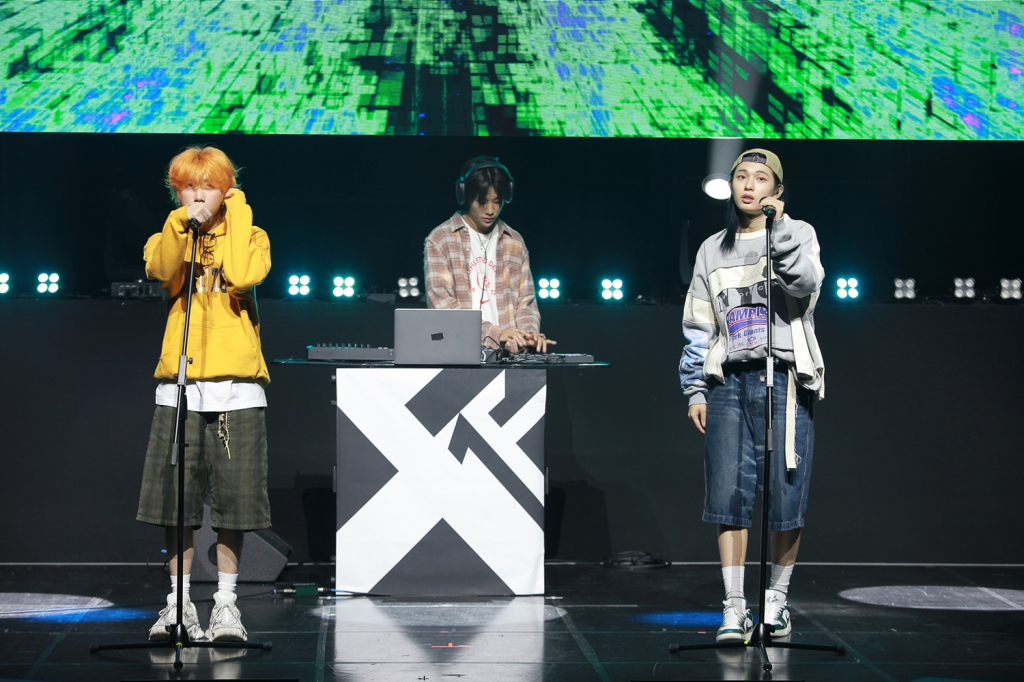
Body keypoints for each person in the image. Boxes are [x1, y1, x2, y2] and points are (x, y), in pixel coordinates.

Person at [679, 149, 825, 642]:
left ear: (776, 191)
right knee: (728, 493)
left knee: (786, 493)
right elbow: (698, 324)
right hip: (728, 381)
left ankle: (777, 601)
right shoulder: (711, 249)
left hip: (784, 377)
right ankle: (734, 605)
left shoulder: (798, 233)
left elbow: (804, 285)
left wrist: (777, 231)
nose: (748, 185)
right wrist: (695, 387)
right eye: (741, 176)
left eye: (760, 178)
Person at [136, 146, 272, 643]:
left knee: (236, 504)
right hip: (181, 389)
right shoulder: (168, 236)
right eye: (188, 187)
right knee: (177, 505)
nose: (197, 195)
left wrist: (236, 211)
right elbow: (161, 270)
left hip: (238, 390)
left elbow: (242, 276)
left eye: (208, 186)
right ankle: (179, 606)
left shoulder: (251, 235)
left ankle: (226, 607)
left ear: (227, 190)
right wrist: (182, 223)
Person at [424, 156, 555, 354]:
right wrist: (494, 333)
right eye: (482, 202)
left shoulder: (514, 241)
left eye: (497, 201)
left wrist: (529, 334)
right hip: (457, 353)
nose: (491, 210)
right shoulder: (441, 240)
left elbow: (525, 303)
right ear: (464, 195)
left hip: (509, 356)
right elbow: (442, 307)